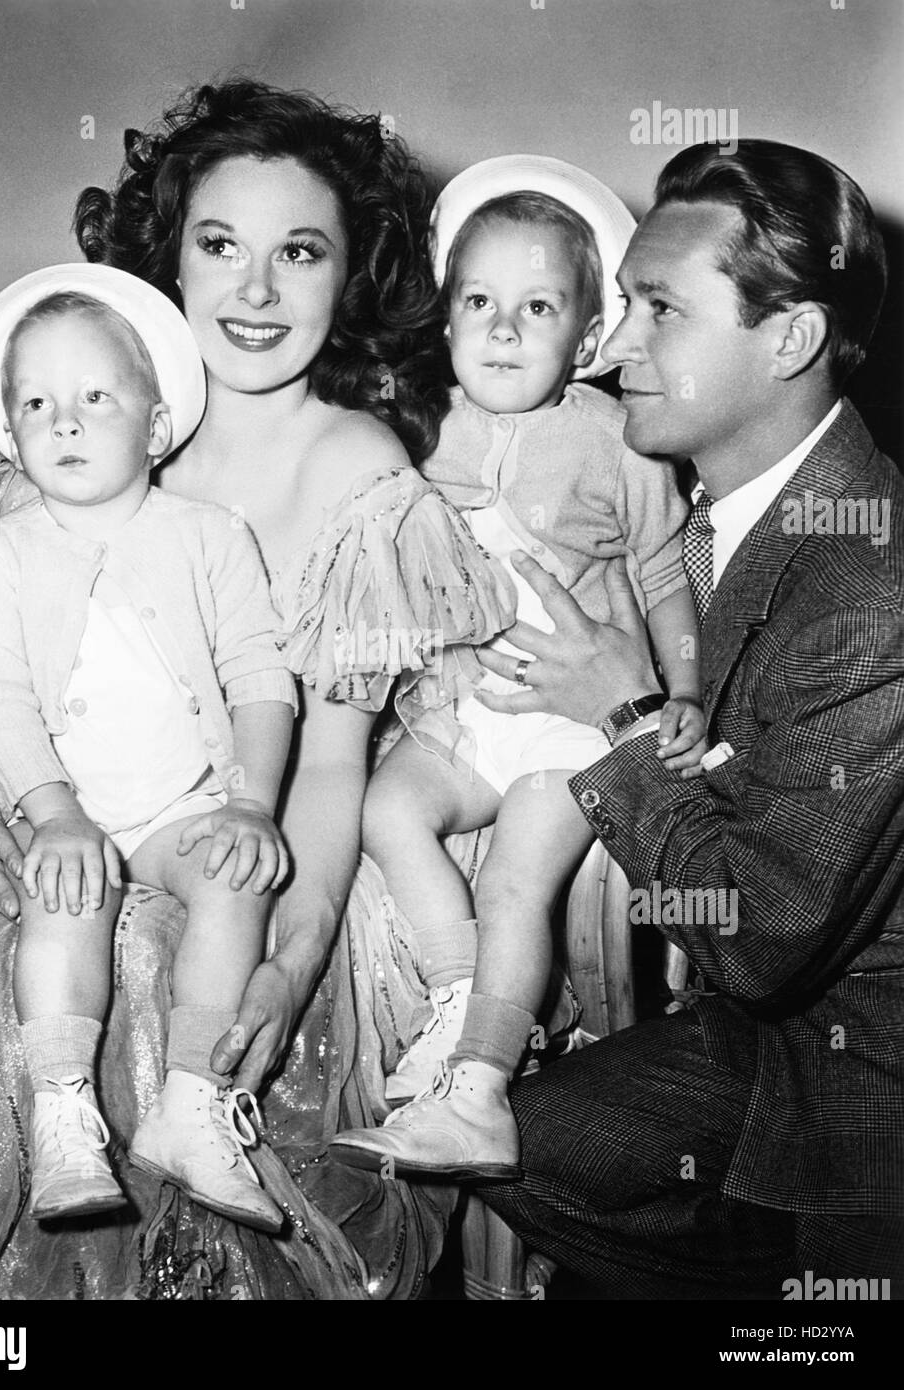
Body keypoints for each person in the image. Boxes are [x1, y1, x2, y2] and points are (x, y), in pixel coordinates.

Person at [0, 78, 514, 1299]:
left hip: (285, 852)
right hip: (89, 827)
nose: (256, 292)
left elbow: (333, 759)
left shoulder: (356, 464)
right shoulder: (89, 409)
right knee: (18, 990)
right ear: (167, 257)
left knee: (180, 969)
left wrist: (299, 947)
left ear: (353, 274)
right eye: (220, 246)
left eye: (301, 253)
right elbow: (27, 673)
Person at [468, 139, 904, 1296]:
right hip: (764, 1030)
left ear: (792, 338)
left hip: (872, 1070)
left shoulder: (873, 583)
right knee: (513, 1150)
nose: (613, 349)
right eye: (621, 306)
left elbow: (764, 936)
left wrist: (621, 708)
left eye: (660, 310)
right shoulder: (723, 508)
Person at [333, 157, 704, 1182]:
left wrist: (681, 691)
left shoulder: (615, 440)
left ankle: (484, 1088)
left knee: (513, 882)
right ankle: (459, 993)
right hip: (465, 709)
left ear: (586, 339)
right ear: (445, 320)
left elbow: (667, 576)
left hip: (568, 727)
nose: (501, 329)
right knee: (387, 811)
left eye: (536, 307)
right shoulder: (421, 426)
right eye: (480, 303)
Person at [0, 264, 299, 1231]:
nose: (63, 421)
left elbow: (260, 675)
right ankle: (63, 1112)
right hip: (71, 804)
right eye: (36, 403)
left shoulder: (209, 534)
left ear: (154, 427)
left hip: (186, 800)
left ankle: (190, 1107)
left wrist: (250, 803)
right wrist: (56, 814)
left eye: (94, 396)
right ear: (11, 436)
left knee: (236, 877)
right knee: (66, 891)